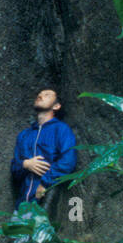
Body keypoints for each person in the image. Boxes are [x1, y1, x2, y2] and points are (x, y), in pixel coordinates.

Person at [10, 88, 77, 224]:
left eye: (46, 95)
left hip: (46, 202)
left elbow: (68, 161)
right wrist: (26, 164)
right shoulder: (25, 135)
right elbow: (14, 168)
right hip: (22, 204)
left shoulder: (61, 130)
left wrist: (45, 182)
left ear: (56, 106)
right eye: (39, 94)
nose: (40, 96)